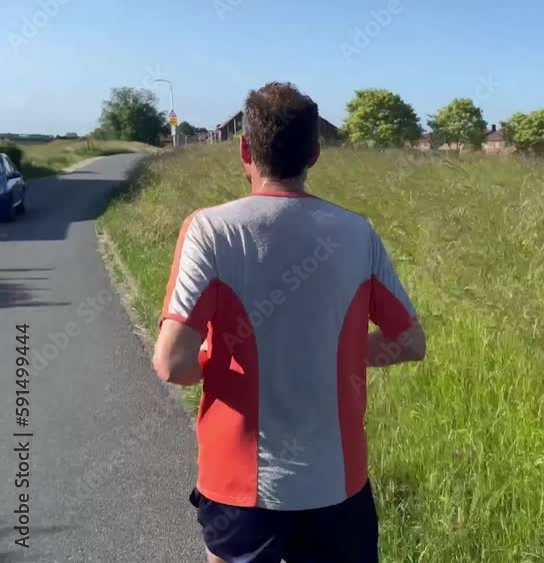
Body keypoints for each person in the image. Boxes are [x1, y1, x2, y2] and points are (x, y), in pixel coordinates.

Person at [152, 82, 426, 563]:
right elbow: (410, 343)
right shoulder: (357, 233)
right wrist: (334, 355)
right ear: (315, 154)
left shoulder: (211, 230)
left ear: (244, 148)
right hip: (338, 483)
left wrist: (218, 361)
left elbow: (173, 364)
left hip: (239, 489)